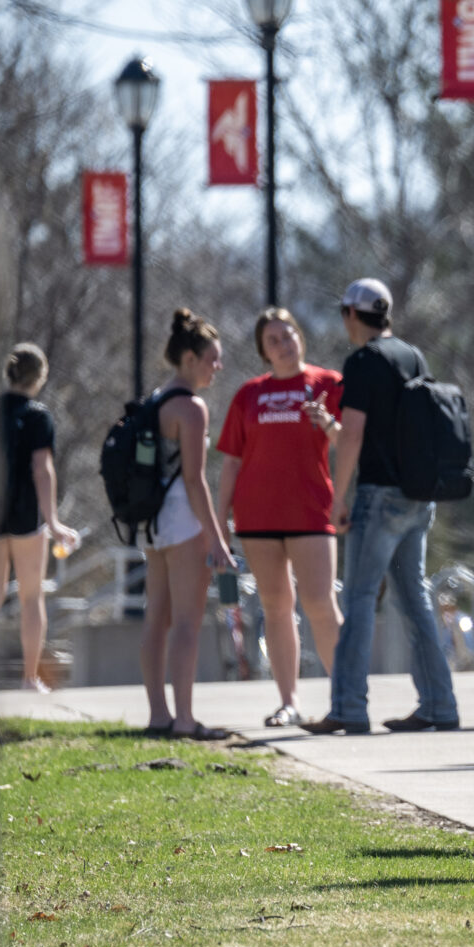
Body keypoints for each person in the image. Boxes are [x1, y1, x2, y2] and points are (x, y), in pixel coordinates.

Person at [305, 278, 459, 735]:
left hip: (379, 497)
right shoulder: (411, 356)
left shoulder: (363, 362)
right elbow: (373, 436)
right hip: (417, 497)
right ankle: (440, 704)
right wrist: (330, 425)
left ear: (352, 315)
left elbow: (354, 438)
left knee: (357, 600)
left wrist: (338, 498)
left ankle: (349, 707)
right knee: (415, 601)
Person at [213, 308, 344, 728]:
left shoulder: (328, 384)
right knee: (276, 606)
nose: (284, 345)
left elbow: (350, 438)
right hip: (257, 515)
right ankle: (289, 701)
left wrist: (328, 423)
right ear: (263, 352)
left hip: (311, 511)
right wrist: (219, 523)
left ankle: (346, 697)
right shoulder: (249, 394)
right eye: (274, 340)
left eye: (289, 335)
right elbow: (231, 463)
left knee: (321, 603)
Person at [140, 308, 230, 739]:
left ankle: (159, 714)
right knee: (187, 622)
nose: (218, 367)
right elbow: (195, 481)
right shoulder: (191, 410)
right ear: (189, 359)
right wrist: (215, 537)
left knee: (155, 618)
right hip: (183, 521)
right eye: (212, 358)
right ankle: (186, 719)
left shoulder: (154, 400)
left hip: (152, 523)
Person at [0, 343, 79, 690]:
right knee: (31, 595)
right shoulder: (38, 416)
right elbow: (43, 469)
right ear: (40, 377)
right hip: (25, 514)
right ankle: (29, 677)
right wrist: (52, 521)